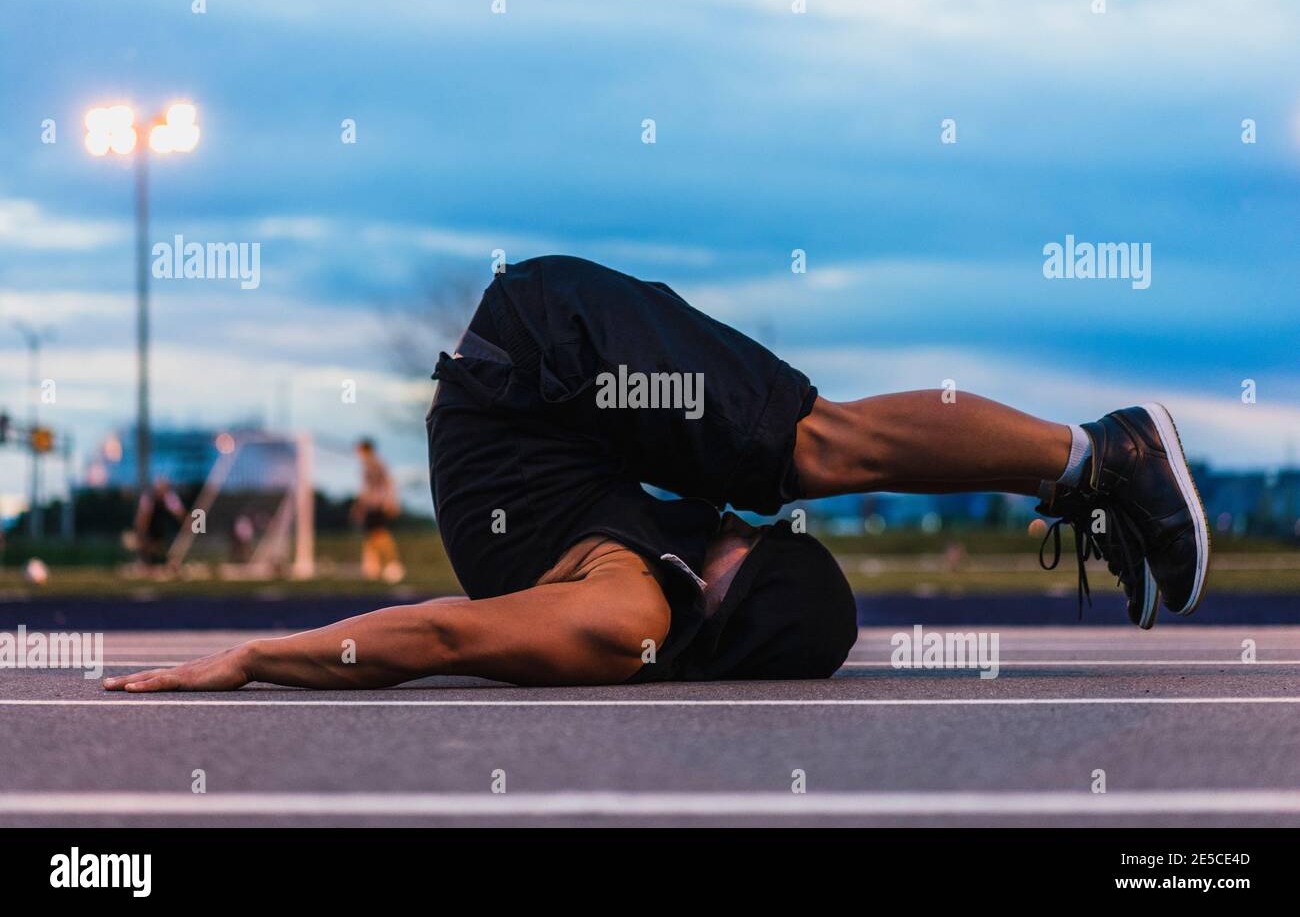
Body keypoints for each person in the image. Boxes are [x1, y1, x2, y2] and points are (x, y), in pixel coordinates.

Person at [105, 256, 1208, 693]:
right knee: (793, 450)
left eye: (750, 544)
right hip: (559, 389)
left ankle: (1099, 453)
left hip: (546, 369)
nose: (733, 524)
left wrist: (249, 654)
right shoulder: (636, 559)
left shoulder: (626, 608)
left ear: (722, 587)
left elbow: (433, 635)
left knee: (806, 448)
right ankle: (1088, 463)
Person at [350, 438, 404, 583]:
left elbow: (387, 483)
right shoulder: (368, 465)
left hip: (378, 504)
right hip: (371, 505)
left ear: (365, 449)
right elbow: (366, 488)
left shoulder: (376, 464)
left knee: (380, 535)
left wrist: (391, 501)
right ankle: (372, 569)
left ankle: (393, 564)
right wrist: (360, 506)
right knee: (370, 537)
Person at [132, 477, 184, 569]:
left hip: (161, 524)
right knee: (147, 544)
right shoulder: (148, 498)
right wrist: (142, 534)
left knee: (158, 546)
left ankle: (160, 559)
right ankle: (146, 560)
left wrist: (188, 522)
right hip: (148, 524)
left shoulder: (169, 496)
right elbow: (142, 518)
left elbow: (179, 512)